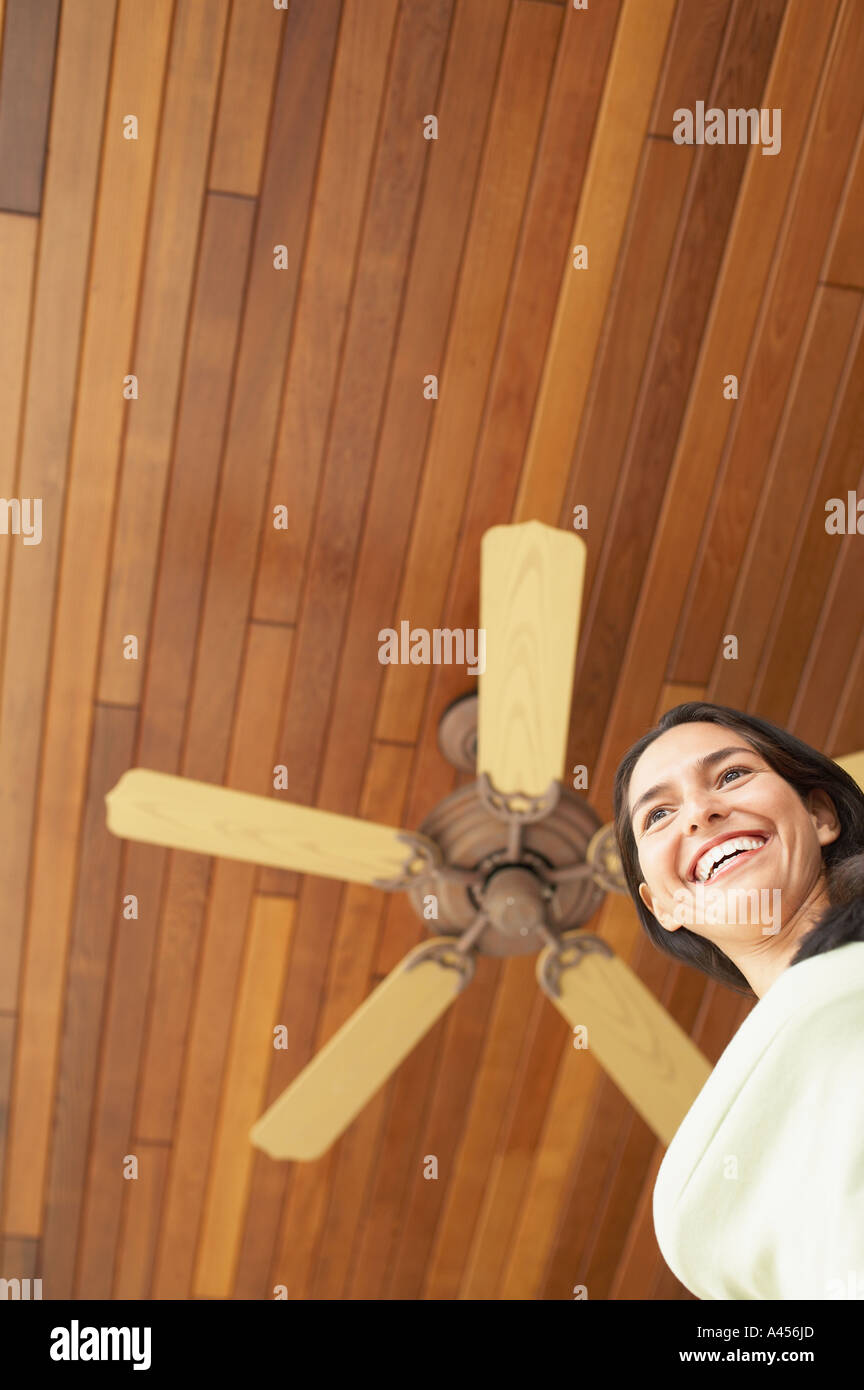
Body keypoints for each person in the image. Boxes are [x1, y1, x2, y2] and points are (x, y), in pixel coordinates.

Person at [613, 701, 864, 1300]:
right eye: (659, 815)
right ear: (663, 906)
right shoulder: (687, 1192)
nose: (701, 812)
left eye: (730, 775)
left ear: (820, 813)